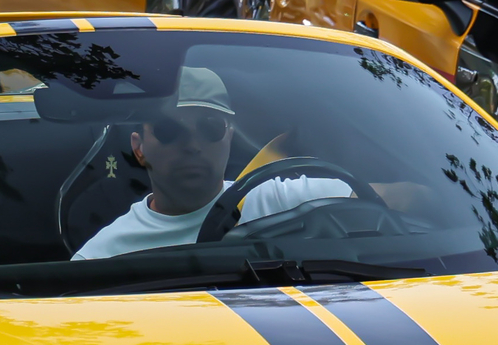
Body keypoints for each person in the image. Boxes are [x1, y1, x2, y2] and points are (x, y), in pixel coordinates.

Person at [73, 69, 354, 260]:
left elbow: (388, 199)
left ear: (228, 138)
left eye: (210, 128)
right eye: (169, 131)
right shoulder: (102, 256)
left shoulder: (281, 198)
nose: (193, 145)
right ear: (139, 147)